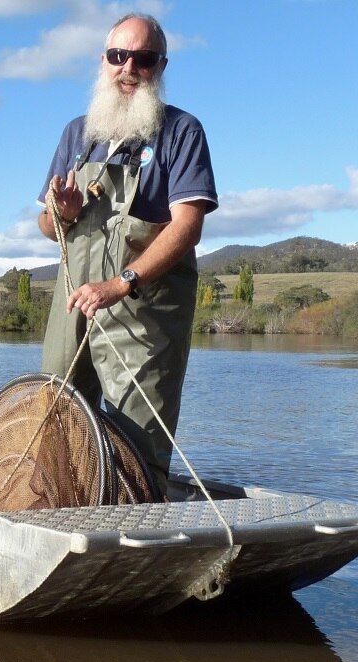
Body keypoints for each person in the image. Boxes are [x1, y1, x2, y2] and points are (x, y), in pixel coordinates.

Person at [36, 13, 217, 492]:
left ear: (160, 66)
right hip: (76, 301)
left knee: (140, 435)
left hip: (143, 308)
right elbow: (45, 224)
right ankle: (65, 519)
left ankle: (139, 541)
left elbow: (188, 226)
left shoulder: (182, 131)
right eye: (119, 56)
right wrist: (64, 212)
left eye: (143, 58)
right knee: (58, 413)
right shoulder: (78, 133)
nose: (128, 68)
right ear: (103, 60)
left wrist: (122, 283)